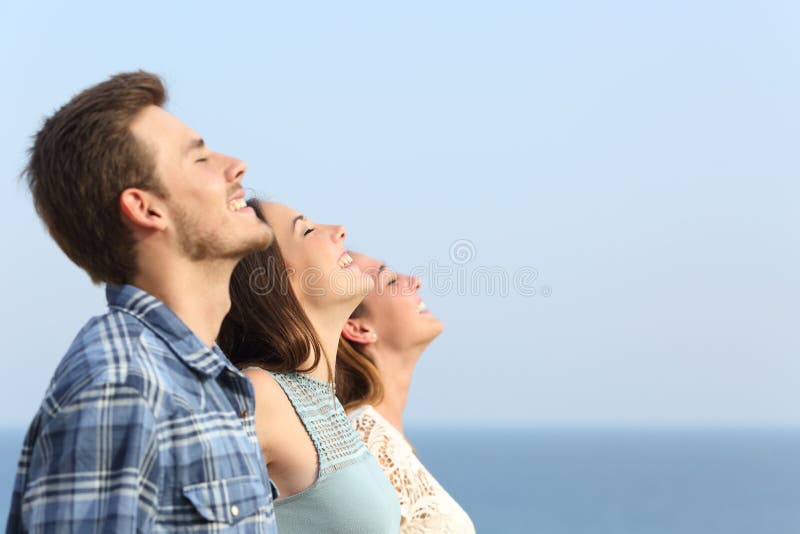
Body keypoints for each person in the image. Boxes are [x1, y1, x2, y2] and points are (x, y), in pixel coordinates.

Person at [7, 71, 278, 533]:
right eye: (200, 160)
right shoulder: (120, 384)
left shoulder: (204, 376)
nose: (237, 166)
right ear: (146, 208)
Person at [218, 201, 400, 534]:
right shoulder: (260, 393)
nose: (339, 230)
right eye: (308, 230)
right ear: (271, 281)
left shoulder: (323, 399)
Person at [336, 252, 475, 533]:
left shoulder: (380, 437)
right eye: (389, 280)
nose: (415, 282)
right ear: (358, 328)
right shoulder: (366, 441)